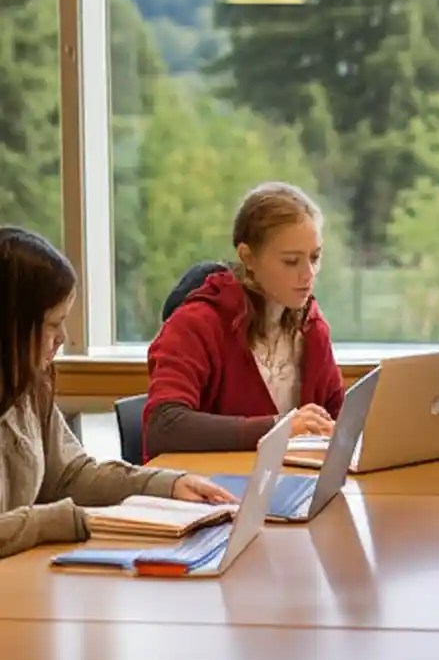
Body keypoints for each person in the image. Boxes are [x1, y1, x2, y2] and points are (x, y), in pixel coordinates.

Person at [0, 227, 235, 559]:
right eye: (54, 324)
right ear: (11, 326)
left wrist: (166, 485)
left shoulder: (29, 387)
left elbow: (71, 476)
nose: (63, 337)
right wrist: (57, 521)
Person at [143, 182, 344, 461]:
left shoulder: (311, 327)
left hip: (286, 487)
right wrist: (277, 428)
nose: (308, 274)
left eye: (315, 258)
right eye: (290, 261)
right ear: (248, 257)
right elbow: (163, 427)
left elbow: (337, 415)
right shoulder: (197, 324)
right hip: (208, 494)